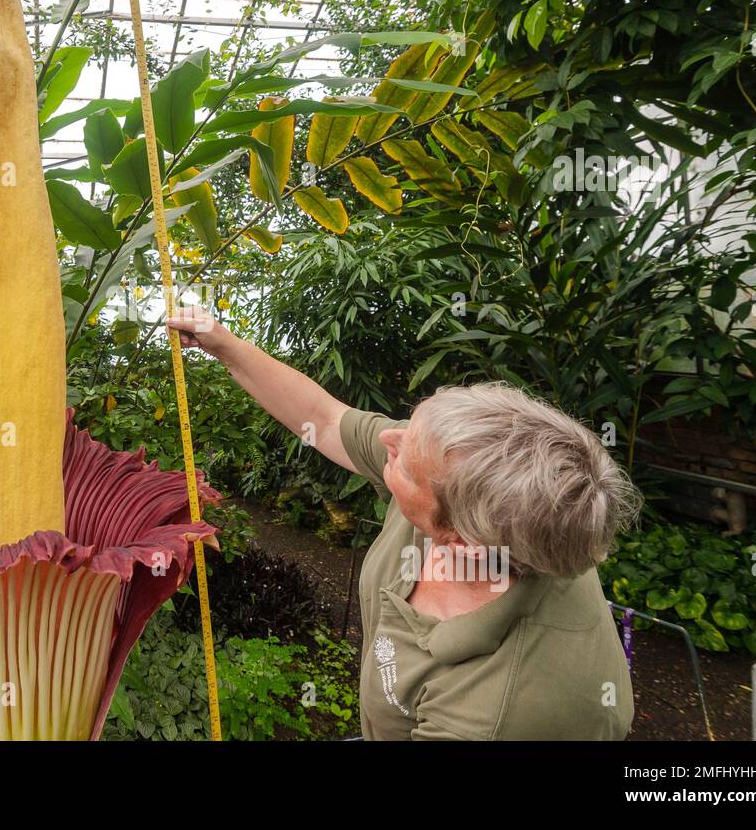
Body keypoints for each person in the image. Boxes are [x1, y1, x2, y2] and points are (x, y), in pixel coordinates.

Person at [167, 305, 640, 740]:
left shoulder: (501, 714)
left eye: (407, 463)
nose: (388, 438)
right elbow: (326, 421)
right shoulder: (504, 500)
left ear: (465, 541)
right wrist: (221, 342)